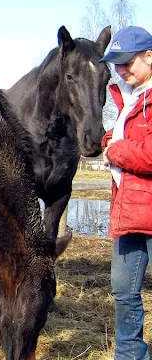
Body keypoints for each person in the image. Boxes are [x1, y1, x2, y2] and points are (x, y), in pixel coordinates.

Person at [101, 25, 152, 360]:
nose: (120, 69)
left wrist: (115, 150)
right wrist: (109, 142)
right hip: (129, 212)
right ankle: (130, 355)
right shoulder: (129, 98)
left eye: (127, 62)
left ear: (149, 56)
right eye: (116, 64)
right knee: (123, 292)